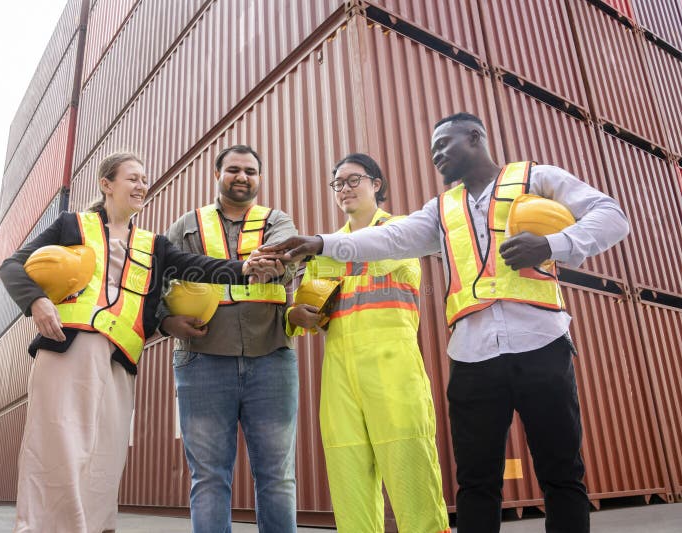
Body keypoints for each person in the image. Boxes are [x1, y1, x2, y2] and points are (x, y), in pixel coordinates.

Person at [260, 113, 630, 533]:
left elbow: (612, 215)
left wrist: (553, 244)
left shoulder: (536, 179)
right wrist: (321, 242)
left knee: (561, 471)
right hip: (473, 356)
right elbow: (392, 238)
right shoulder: (442, 208)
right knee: (475, 480)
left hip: (540, 342)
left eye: (443, 145)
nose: (436, 156)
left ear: (475, 137)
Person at [0, 151, 281, 533]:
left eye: (144, 179)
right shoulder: (72, 226)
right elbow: (13, 265)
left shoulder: (154, 244)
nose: (141, 185)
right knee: (59, 446)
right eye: (132, 178)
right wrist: (35, 301)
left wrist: (244, 269)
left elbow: (198, 267)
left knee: (106, 456)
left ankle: (97, 527)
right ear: (106, 184)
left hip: (120, 359)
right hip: (70, 348)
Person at [286, 153, 450, 533]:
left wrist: (322, 249)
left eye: (353, 179)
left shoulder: (404, 231)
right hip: (340, 372)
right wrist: (296, 316)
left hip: (393, 368)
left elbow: (378, 255)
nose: (344, 189)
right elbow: (309, 306)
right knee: (349, 481)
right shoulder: (325, 247)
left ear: (376, 184)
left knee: (412, 475)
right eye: (338, 183)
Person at [156, 144, 299, 532]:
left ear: (259, 178)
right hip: (202, 357)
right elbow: (156, 279)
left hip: (271, 354)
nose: (242, 177)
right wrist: (166, 322)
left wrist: (275, 264)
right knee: (209, 477)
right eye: (233, 169)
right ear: (216, 175)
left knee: (277, 476)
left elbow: (288, 253)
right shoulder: (187, 224)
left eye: (251, 171)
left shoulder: (277, 220)